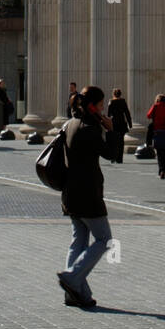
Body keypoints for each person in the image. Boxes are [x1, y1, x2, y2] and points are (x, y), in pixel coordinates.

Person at [57, 86, 115, 309]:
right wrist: (110, 130)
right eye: (101, 105)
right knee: (104, 239)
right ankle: (72, 277)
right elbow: (111, 154)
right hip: (88, 193)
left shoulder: (70, 124)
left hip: (70, 192)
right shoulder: (89, 129)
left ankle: (76, 294)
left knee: (78, 241)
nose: (103, 109)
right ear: (92, 106)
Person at [106, 89, 132, 163]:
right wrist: (130, 123)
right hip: (121, 123)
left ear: (113, 94)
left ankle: (113, 157)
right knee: (121, 142)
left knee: (114, 141)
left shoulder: (111, 102)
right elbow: (127, 113)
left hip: (114, 123)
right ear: (120, 94)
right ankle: (120, 159)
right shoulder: (123, 101)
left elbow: (108, 114)